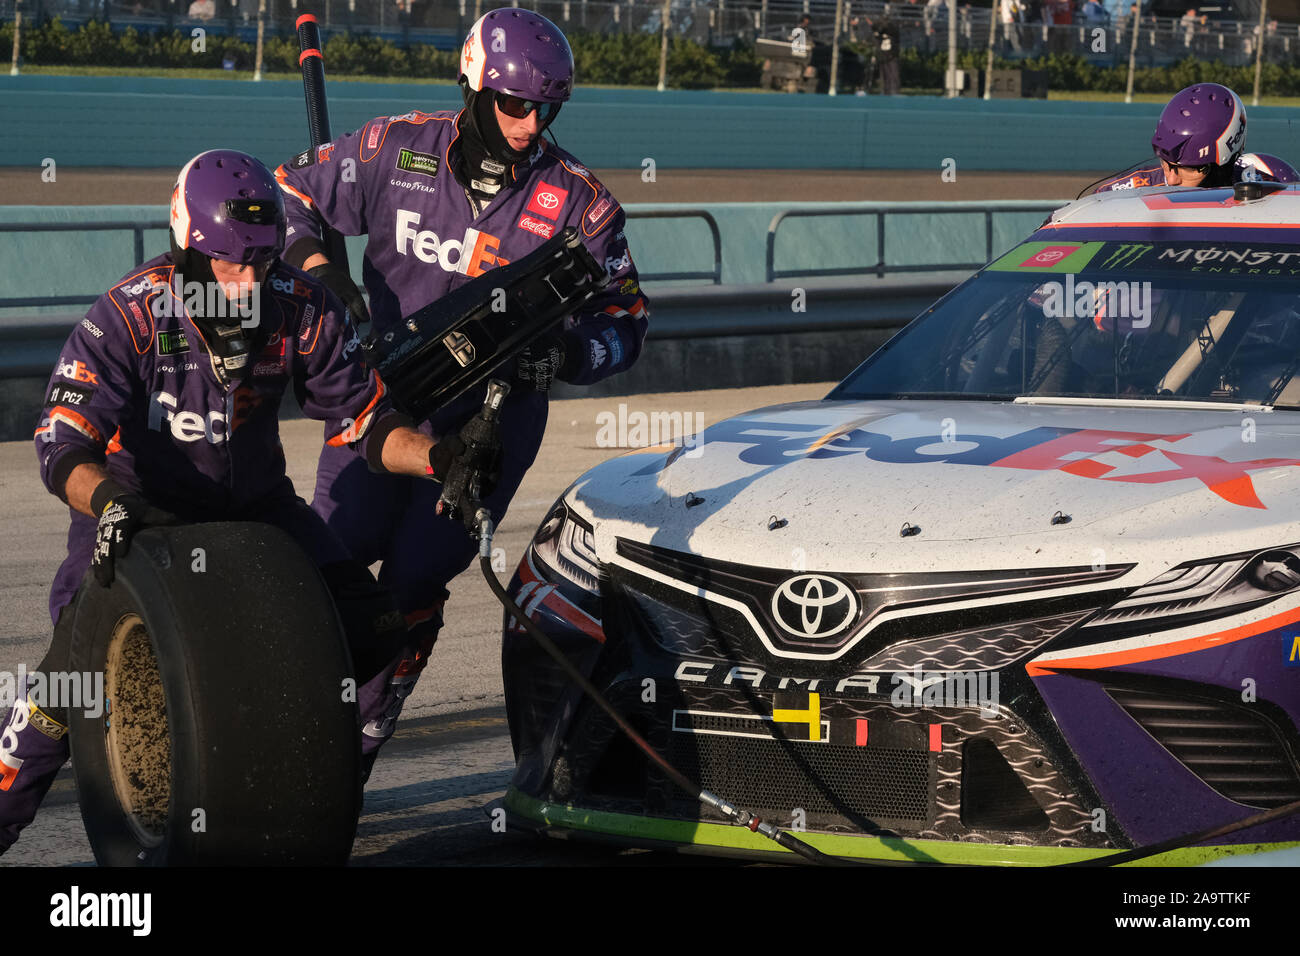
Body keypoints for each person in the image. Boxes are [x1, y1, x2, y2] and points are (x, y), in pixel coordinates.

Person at [0, 149, 473, 854]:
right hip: (137, 508)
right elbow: (62, 445)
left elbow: (366, 422)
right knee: (67, 687)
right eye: (229, 263)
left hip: (257, 505)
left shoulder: (300, 305)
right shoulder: (128, 315)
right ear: (188, 249)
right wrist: (106, 503)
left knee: (373, 629)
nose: (247, 280)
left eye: (261, 260)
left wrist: (440, 458)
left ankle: (285, 776)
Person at [274, 8, 649, 765]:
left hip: (491, 420)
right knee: (332, 557)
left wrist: (571, 356)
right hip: (381, 393)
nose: (528, 124)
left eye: (547, 109)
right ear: (474, 87)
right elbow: (286, 191)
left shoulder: (584, 205)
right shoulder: (391, 147)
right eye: (514, 104)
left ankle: (357, 745)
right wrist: (320, 273)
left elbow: (629, 324)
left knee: (414, 576)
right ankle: (282, 721)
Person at [1091, 83, 1300, 193]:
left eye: (1189, 169)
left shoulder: (1267, 189)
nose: (1171, 180)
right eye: (1166, 163)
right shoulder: (1127, 190)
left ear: (1223, 163)